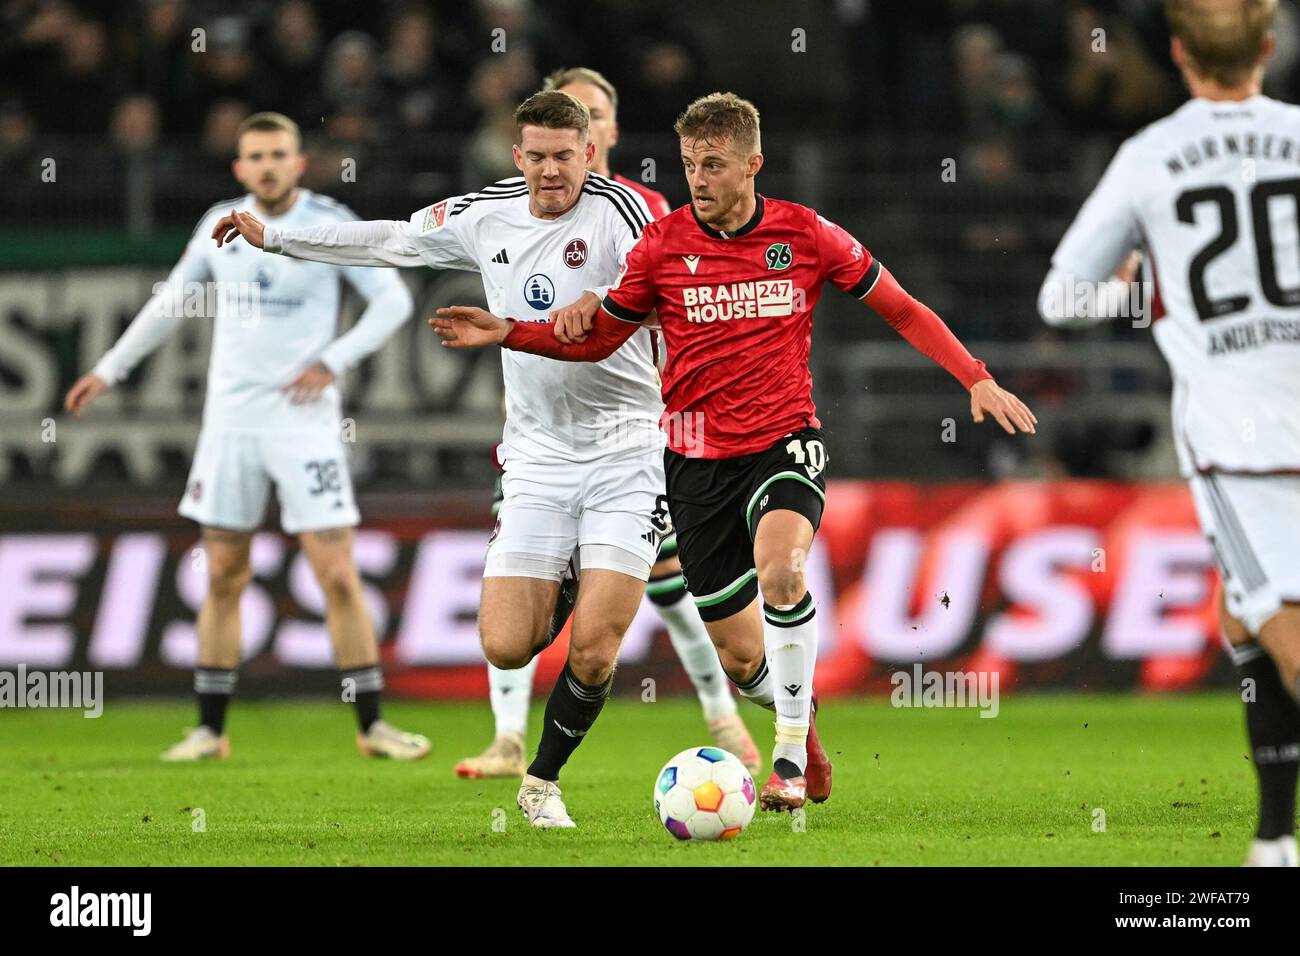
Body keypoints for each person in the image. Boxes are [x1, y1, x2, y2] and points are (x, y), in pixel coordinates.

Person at [432, 92, 1037, 810]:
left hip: (783, 442)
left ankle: (782, 760)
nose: (699, 179)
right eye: (690, 164)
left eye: (714, 165)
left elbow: (899, 305)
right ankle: (805, 738)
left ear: (753, 164)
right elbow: (596, 339)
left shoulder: (805, 236)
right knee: (742, 654)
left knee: (782, 571)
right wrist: (508, 330)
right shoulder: (661, 245)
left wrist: (975, 377)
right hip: (693, 462)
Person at [212, 91, 671, 829]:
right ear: (517, 156)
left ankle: (542, 780)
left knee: (595, 646)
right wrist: (277, 240)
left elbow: (676, 287)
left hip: (629, 448)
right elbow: (389, 239)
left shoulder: (626, 214)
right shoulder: (486, 212)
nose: (552, 170)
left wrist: (620, 303)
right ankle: (574, 574)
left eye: (565, 155)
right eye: (538, 156)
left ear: (590, 153)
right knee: (505, 645)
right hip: (538, 455)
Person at [65, 112, 428, 761]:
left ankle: (372, 726)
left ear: (298, 162)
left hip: (303, 422)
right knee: (225, 574)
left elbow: (394, 301)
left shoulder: (328, 221)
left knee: (338, 574)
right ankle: (210, 730)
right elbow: (171, 301)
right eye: (254, 155)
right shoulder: (218, 223)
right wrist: (107, 370)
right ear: (239, 168)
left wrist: (335, 360)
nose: (266, 165)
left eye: (278, 154)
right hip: (231, 423)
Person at [1040, 0, 1300, 866]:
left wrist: (1145, 284)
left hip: (1245, 438)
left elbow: (1062, 300)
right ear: (1268, 49)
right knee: (1239, 615)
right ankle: (1273, 841)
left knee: (1282, 627)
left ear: (1181, 56)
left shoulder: (1150, 158)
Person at [454, 67, 760, 782]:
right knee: (522, 602)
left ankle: (720, 709)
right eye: (554, 135)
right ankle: (506, 736)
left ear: (605, 135)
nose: (566, 146)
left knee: (670, 584)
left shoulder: (651, 208)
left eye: (588, 118)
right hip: (540, 443)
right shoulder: (516, 213)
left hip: (636, 436)